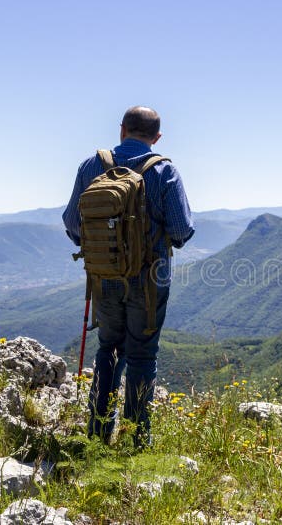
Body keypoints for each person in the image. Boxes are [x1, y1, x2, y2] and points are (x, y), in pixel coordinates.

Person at [62, 106, 194, 447]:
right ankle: (136, 440)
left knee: (108, 348)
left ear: (122, 130)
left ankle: (97, 432)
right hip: (150, 279)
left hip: (103, 276)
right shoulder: (163, 170)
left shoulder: (92, 167)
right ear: (157, 137)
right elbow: (180, 231)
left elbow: (73, 223)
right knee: (141, 354)